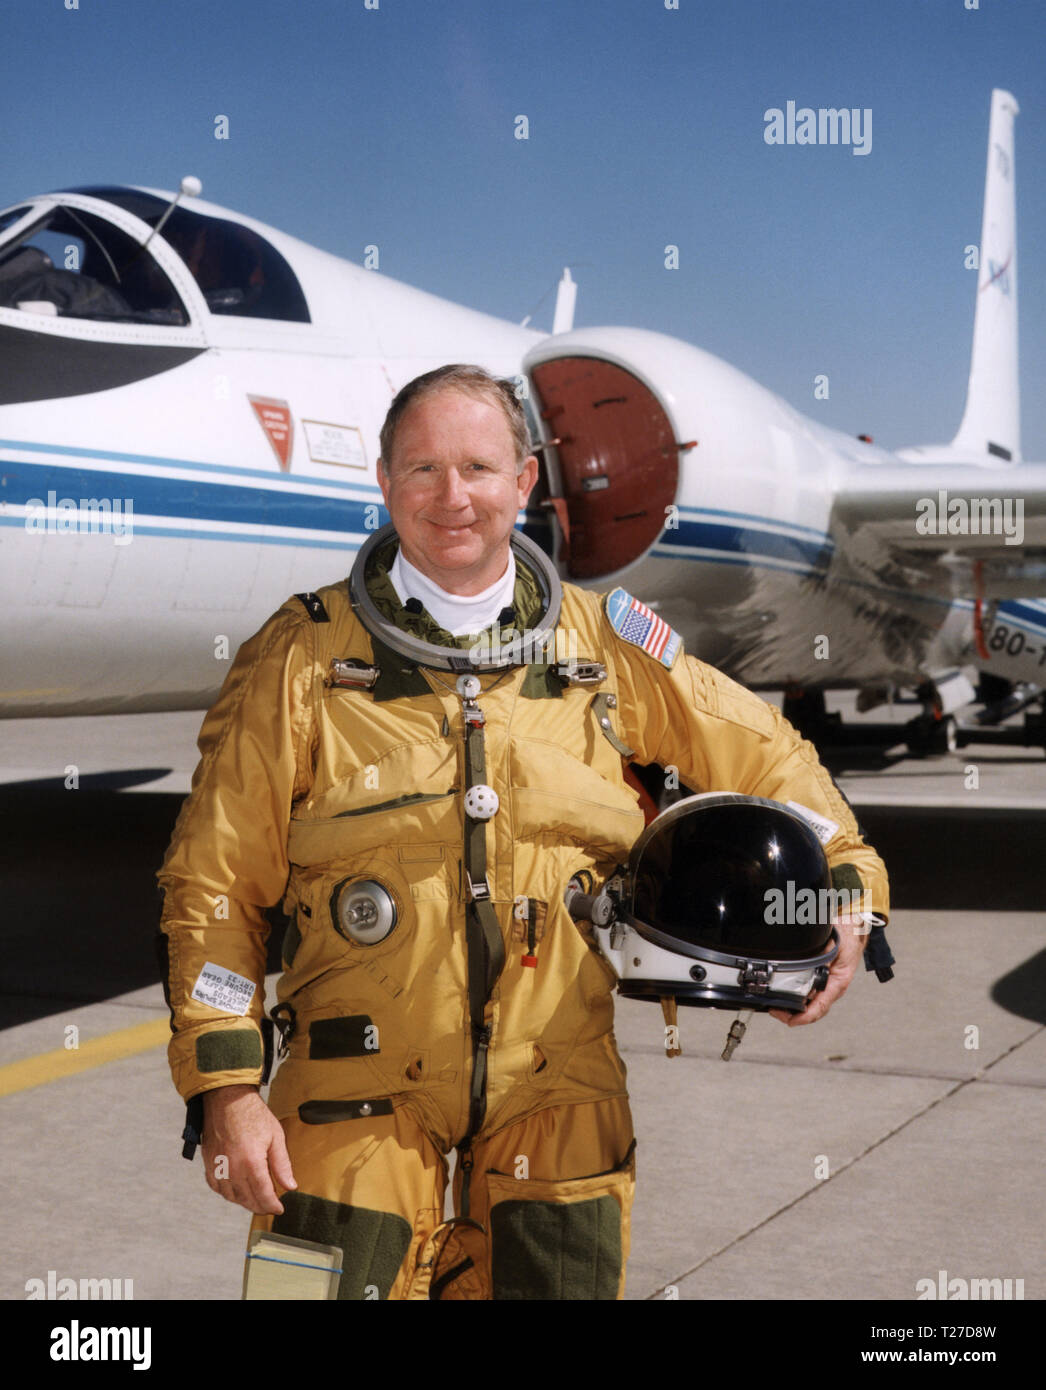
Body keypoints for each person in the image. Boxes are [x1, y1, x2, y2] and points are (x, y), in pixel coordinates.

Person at [157, 363, 889, 1300]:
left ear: (525, 481)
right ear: (383, 483)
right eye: (421, 469)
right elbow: (213, 886)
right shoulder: (300, 660)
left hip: (560, 1090)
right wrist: (226, 1089)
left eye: (477, 467)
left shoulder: (607, 647)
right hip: (350, 1094)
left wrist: (849, 882)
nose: (451, 496)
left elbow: (766, 756)